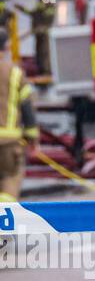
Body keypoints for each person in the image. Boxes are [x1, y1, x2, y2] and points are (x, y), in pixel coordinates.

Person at [0, 51, 38, 202]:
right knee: (9, 186)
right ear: (6, 47)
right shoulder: (15, 72)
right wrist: (32, 139)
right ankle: (4, 223)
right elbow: (27, 107)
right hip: (10, 143)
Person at [20, 0, 57, 77]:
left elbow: (46, 15)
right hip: (39, 31)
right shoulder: (44, 0)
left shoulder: (48, 0)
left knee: (45, 52)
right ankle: (41, 70)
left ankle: (46, 71)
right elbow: (35, 13)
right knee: (39, 51)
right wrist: (23, 9)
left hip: (44, 31)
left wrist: (42, 27)